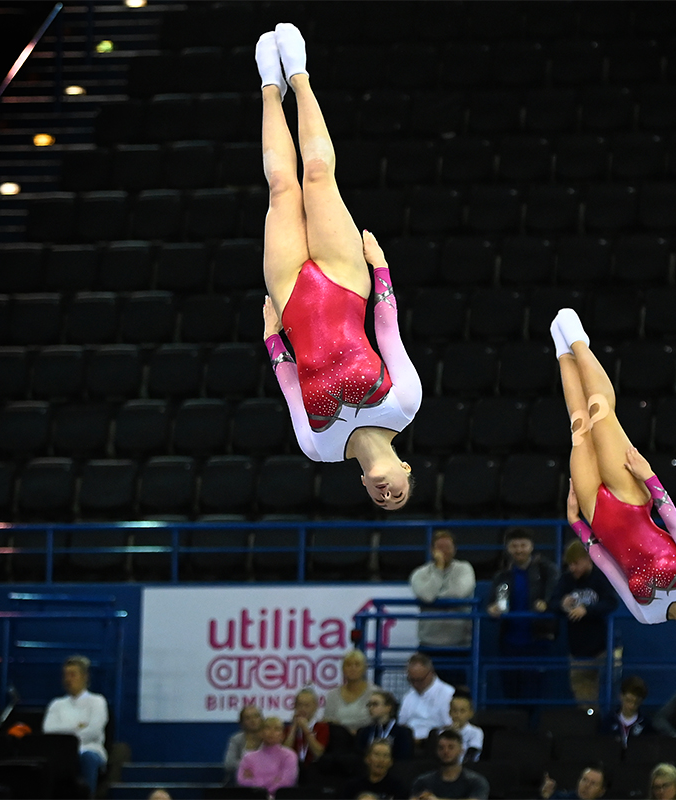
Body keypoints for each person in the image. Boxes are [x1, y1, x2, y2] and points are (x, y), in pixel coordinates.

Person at [256, 23, 422, 510]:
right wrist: (383, 270)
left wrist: (272, 339)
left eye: (381, 501)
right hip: (347, 283)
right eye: (399, 495)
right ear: (406, 470)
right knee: (318, 174)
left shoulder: (319, 448)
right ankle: (301, 78)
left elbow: (289, 384)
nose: (387, 494)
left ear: (365, 489)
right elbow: (387, 332)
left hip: (290, 300)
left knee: (282, 189)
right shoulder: (403, 405)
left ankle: (269, 87)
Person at [552, 309, 676, 665]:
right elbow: (675, 524)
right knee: (601, 412)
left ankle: (561, 350)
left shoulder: (647, 616)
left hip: (597, 516)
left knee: (579, 424)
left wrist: (577, 526)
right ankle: (578, 341)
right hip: (632, 499)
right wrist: (649, 476)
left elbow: (608, 566)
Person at [486, 527, 560, 702]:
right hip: (509, 644)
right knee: (510, 692)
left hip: (537, 642)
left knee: (534, 693)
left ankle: (532, 729)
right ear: (507, 548)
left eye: (523, 545)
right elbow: (491, 605)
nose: (519, 550)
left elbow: (555, 592)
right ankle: (513, 728)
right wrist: (492, 610)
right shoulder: (501, 576)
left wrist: (546, 603)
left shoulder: (546, 570)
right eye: (514, 546)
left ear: (532, 546)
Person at [550, 539, 618, 712]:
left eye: (576, 563)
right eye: (569, 564)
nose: (572, 568)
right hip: (577, 651)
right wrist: (562, 604)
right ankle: (590, 732)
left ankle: (606, 731)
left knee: (608, 697)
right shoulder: (566, 579)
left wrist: (587, 610)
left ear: (588, 559)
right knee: (584, 703)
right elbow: (552, 602)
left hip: (603, 648)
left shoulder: (601, 576)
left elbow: (611, 602)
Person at [409, 530, 476, 687]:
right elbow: (427, 595)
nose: (443, 551)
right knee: (426, 690)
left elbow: (459, 594)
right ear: (432, 550)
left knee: (457, 692)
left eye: (447, 547)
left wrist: (437, 597)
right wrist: (438, 570)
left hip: (459, 644)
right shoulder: (420, 573)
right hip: (429, 644)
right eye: (439, 548)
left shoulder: (465, 569)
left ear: (455, 549)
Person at [42, 655, 109, 796]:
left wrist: (66, 732)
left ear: (85, 677)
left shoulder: (97, 701)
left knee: (87, 759)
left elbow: (94, 732)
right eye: (66, 675)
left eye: (73, 675)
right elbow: (48, 731)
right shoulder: (56, 704)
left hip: (89, 750)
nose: (68, 679)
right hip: (61, 753)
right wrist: (78, 727)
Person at [409, 729, 489, 800]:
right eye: (441, 748)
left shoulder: (476, 781)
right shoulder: (423, 781)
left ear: (461, 750)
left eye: (451, 747)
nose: (446, 751)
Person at [237, 715, 299, 798]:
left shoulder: (289, 756)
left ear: (282, 735)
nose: (271, 732)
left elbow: (287, 782)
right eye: (267, 728)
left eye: (276, 729)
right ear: (261, 733)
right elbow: (241, 780)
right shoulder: (248, 757)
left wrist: (256, 780)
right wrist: (273, 780)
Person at [399, 653, 455, 745]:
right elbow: (402, 724)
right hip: (410, 743)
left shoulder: (448, 694)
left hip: (435, 743)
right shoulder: (408, 696)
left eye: (420, 680)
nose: (416, 684)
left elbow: (450, 726)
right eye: (412, 680)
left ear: (431, 673)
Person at [324, 650, 380, 735]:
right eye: (348, 665)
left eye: (357, 665)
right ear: (343, 669)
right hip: (339, 740)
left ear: (365, 668)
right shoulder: (333, 695)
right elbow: (327, 722)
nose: (352, 668)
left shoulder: (375, 693)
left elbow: (379, 721)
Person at [283, 686, 330, 785]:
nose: (303, 709)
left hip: (315, 772)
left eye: (307, 705)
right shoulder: (289, 728)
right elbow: (284, 753)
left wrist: (306, 729)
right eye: (299, 705)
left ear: (315, 706)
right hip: (293, 771)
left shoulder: (321, 726)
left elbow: (319, 753)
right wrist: (293, 729)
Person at [357, 690, 415, 761]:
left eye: (375, 704)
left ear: (388, 708)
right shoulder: (364, 732)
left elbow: (404, 759)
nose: (370, 708)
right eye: (369, 705)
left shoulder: (402, 733)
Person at [342, 739, 409, 800]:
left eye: (385, 756)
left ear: (391, 762)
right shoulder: (352, 786)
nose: (381, 760)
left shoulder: (398, 787)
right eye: (377, 755)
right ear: (367, 759)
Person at [601, 675, 654, 747]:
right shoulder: (608, 722)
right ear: (621, 696)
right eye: (628, 700)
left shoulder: (646, 725)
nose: (631, 706)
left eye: (636, 702)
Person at [223, 704, 264, 784]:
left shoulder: (269, 739)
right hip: (239, 785)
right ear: (242, 722)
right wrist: (249, 766)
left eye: (256, 716)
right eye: (248, 718)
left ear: (262, 719)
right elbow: (229, 764)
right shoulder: (236, 739)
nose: (253, 720)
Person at [444, 691, 483, 763]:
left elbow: (472, 754)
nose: (458, 715)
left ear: (470, 713)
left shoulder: (476, 732)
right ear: (449, 712)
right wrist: (451, 733)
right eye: (454, 711)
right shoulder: (443, 732)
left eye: (462, 711)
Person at [540, 763, 608, 799]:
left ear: (601, 792)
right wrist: (545, 796)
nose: (587, 786)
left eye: (593, 783)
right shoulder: (561, 797)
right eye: (584, 780)